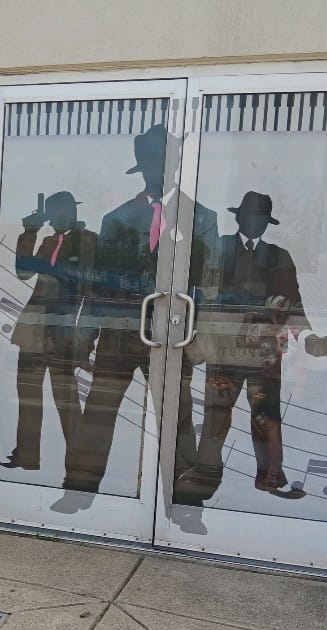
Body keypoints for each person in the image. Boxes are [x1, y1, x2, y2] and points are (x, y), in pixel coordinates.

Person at [59, 124, 217, 500]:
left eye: (160, 159)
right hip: (118, 331)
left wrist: (202, 341)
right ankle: (78, 489)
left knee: (176, 415)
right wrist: (85, 337)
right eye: (146, 160)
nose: (153, 167)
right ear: (139, 165)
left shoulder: (200, 217)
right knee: (98, 409)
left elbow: (209, 285)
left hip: (173, 336)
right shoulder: (117, 218)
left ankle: (185, 498)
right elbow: (98, 284)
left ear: (176, 163)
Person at [179, 191, 327, 504]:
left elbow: (293, 303)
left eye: (262, 220)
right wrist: (193, 337)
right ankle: (206, 472)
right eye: (251, 217)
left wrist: (306, 336)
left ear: (267, 224)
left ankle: (270, 475)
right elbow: (196, 294)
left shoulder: (279, 256)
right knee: (216, 411)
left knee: (265, 413)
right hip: (222, 348)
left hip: (264, 353)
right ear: (238, 218)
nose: (256, 225)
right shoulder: (217, 249)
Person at [0, 191, 97, 473]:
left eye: (61, 212)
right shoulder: (49, 240)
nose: (56, 219)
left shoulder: (89, 241)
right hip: (34, 328)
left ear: (72, 213)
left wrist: (84, 343)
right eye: (53, 214)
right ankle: (27, 455)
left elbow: (90, 295)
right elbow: (23, 272)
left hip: (64, 330)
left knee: (65, 398)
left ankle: (80, 461)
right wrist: (29, 232)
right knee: (28, 395)